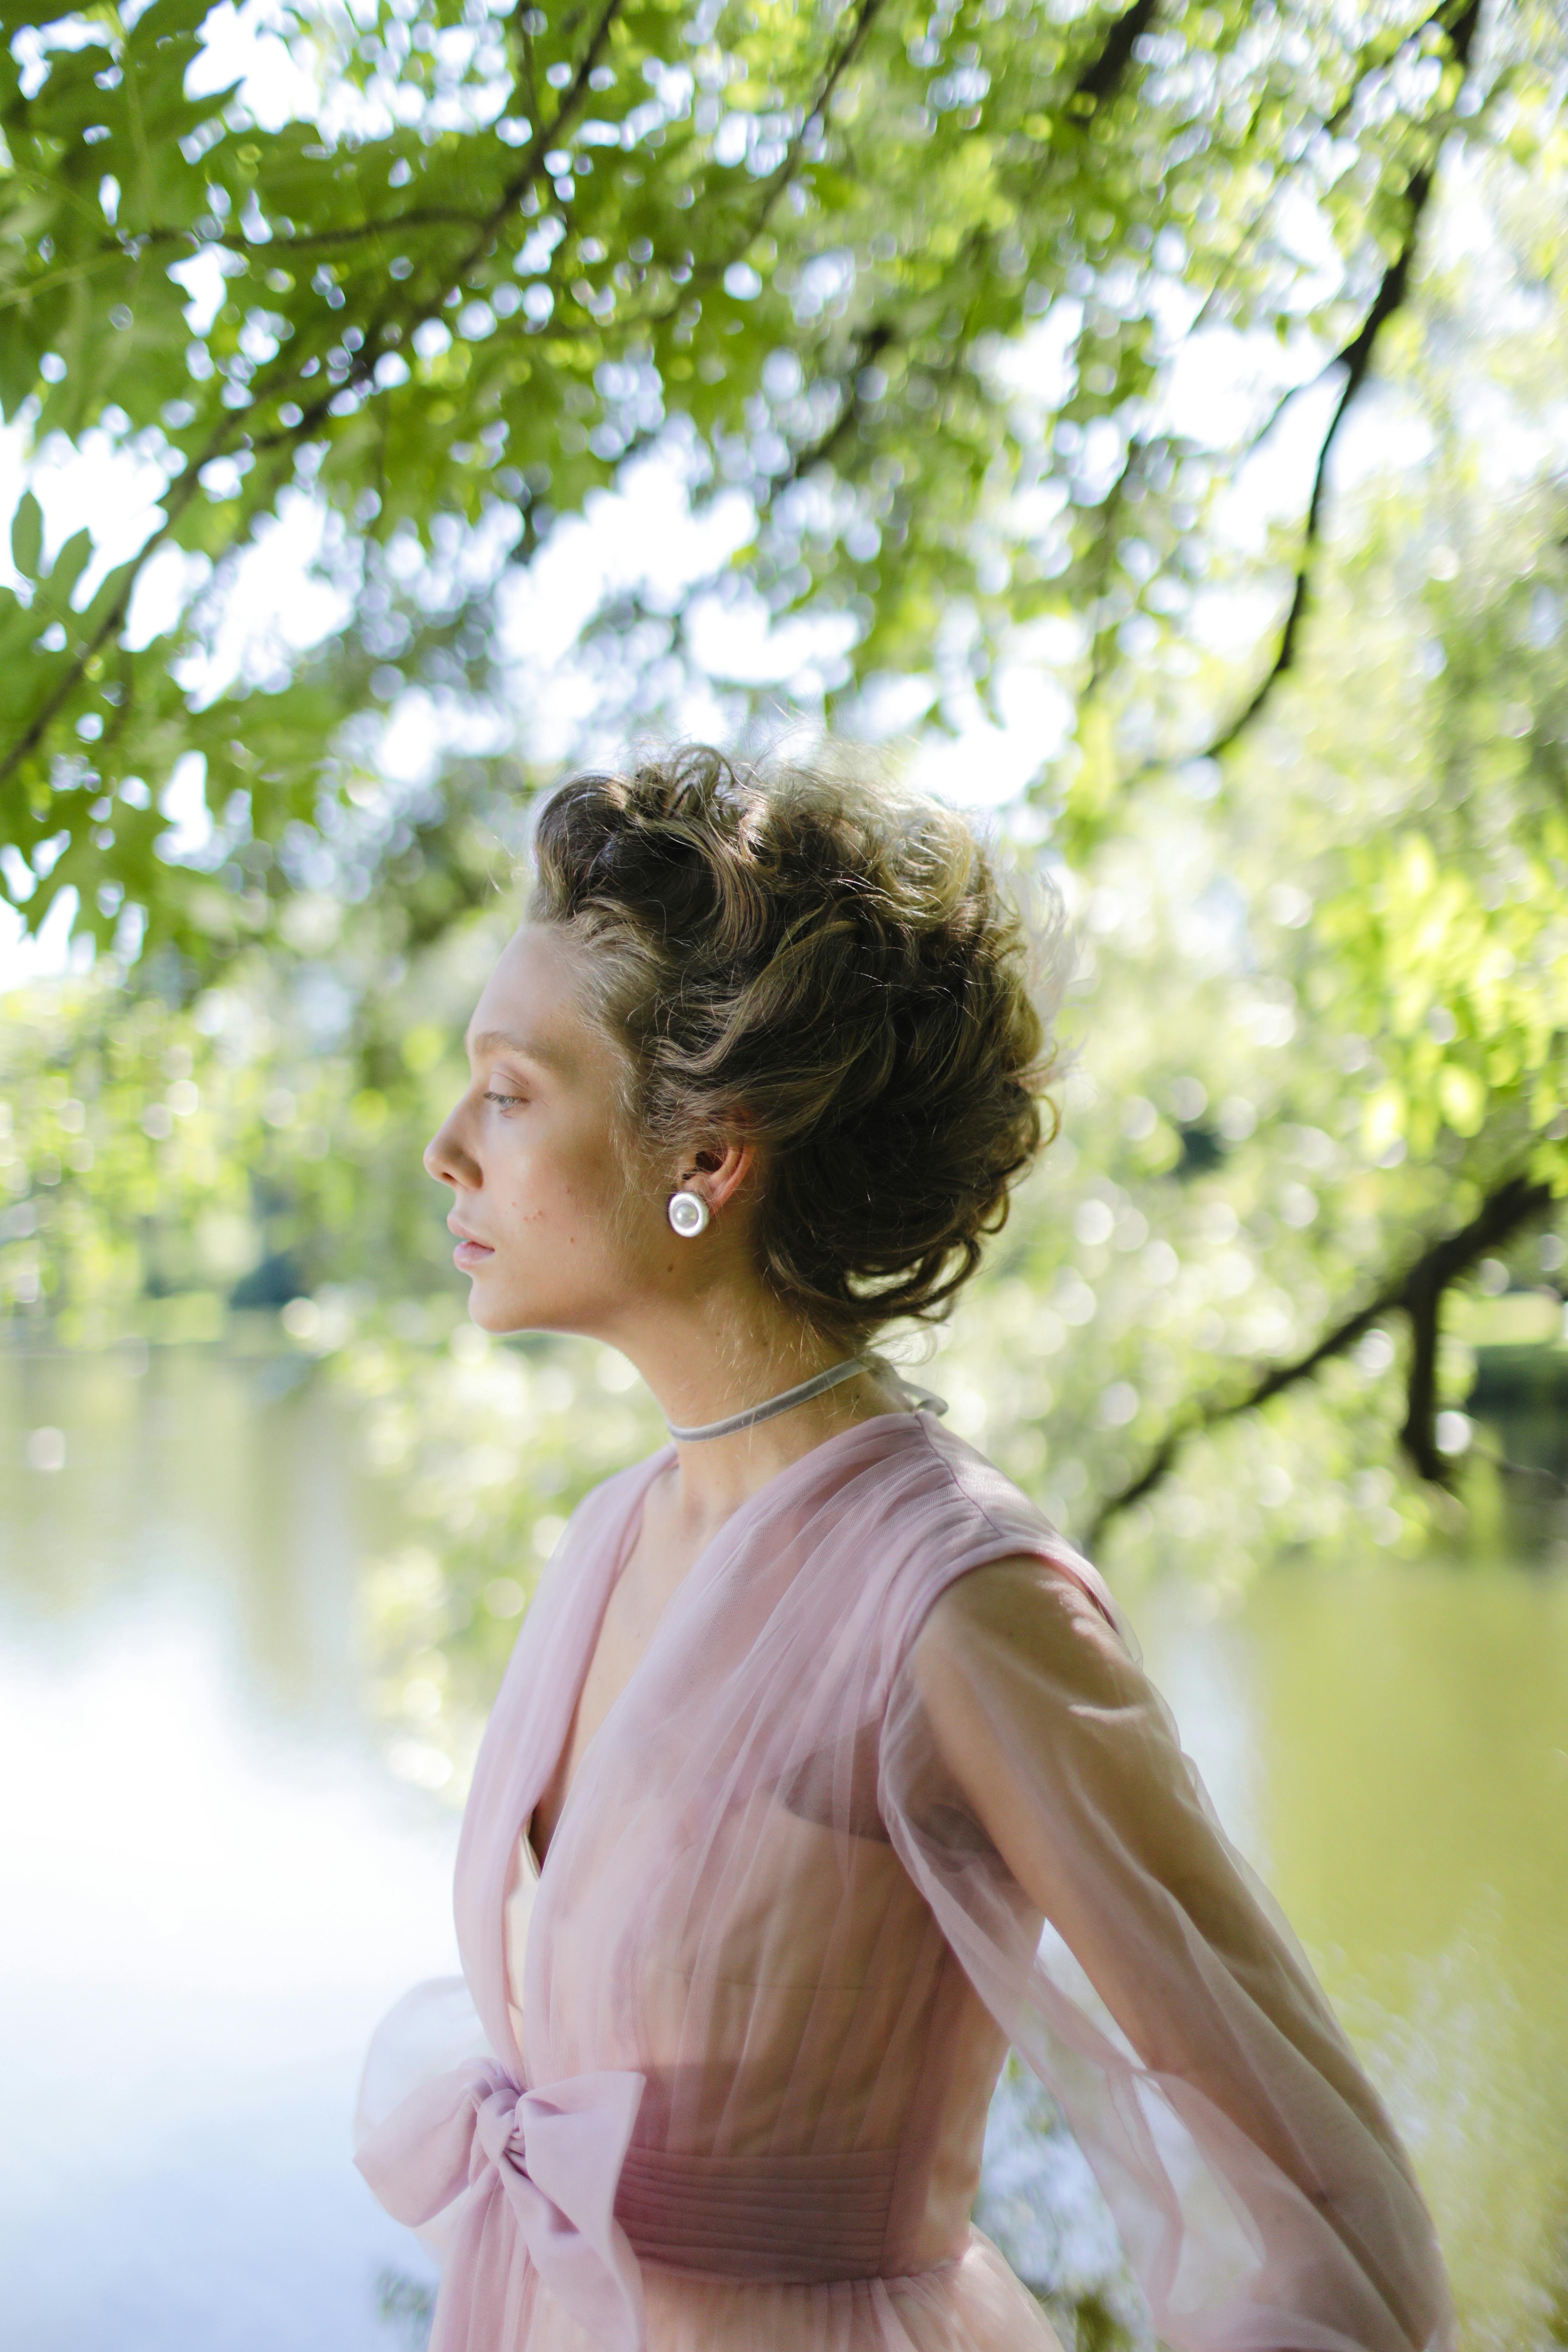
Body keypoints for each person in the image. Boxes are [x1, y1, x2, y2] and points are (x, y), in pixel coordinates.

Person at [354, 746, 1455, 2352]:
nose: (449, 1147)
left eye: (512, 1093)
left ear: (708, 1158)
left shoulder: (960, 1607)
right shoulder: (612, 1534)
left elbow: (1344, 2238)